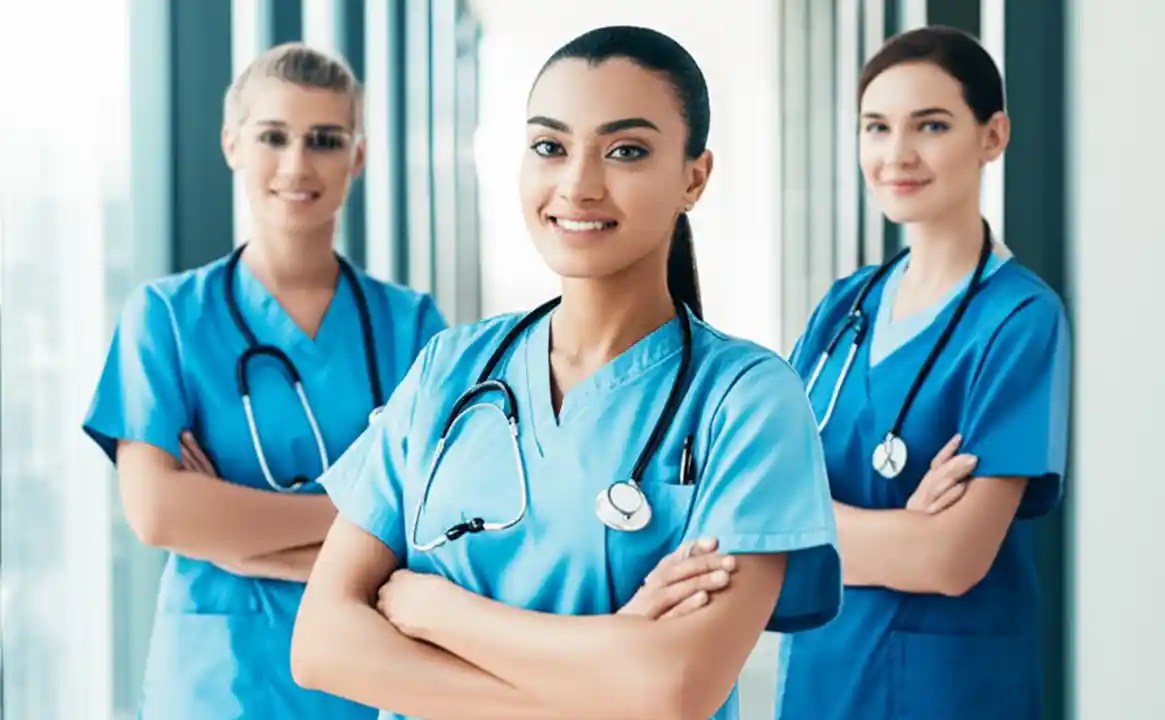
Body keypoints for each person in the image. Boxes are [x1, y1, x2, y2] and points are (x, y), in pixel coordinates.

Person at [290, 25, 842, 720]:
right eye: (550, 147)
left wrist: (433, 610)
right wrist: (608, 669)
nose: (578, 184)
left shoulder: (748, 400)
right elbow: (320, 644)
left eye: (626, 151)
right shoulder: (449, 371)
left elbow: (675, 690)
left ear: (693, 178)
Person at [81, 43, 449, 719]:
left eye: (325, 140)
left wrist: (232, 530)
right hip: (219, 684)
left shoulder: (414, 328)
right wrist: (363, 529)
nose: (297, 165)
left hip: (371, 681)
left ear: (357, 157)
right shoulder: (167, 319)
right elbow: (158, 512)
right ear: (232, 144)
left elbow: (440, 529)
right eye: (273, 136)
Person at [776, 26, 1072, 720]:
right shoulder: (843, 309)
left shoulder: (1020, 319)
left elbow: (949, 558)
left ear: (992, 135)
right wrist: (896, 533)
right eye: (876, 128)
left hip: (950, 692)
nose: (897, 154)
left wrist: (811, 527)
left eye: (931, 125)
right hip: (821, 676)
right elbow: (749, 504)